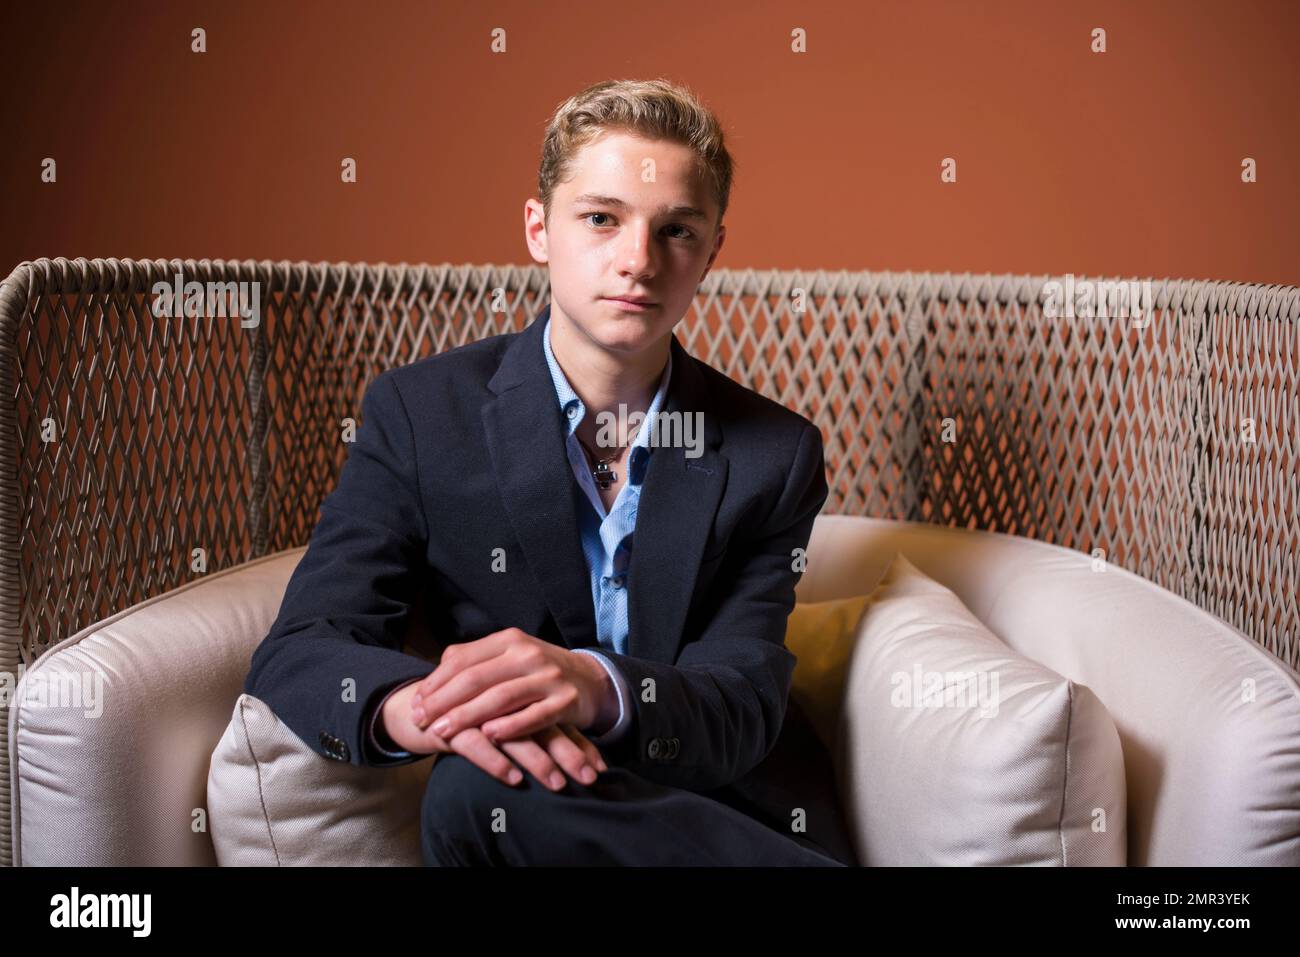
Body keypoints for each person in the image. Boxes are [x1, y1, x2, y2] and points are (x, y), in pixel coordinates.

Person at [243, 77, 857, 866]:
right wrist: (436, 710)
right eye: (602, 219)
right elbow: (304, 644)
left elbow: (740, 699)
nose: (637, 261)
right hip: (522, 805)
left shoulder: (773, 452)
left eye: (676, 230)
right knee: (473, 788)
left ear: (712, 253)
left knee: (473, 792)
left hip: (730, 824)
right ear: (539, 229)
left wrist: (594, 685)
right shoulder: (421, 415)